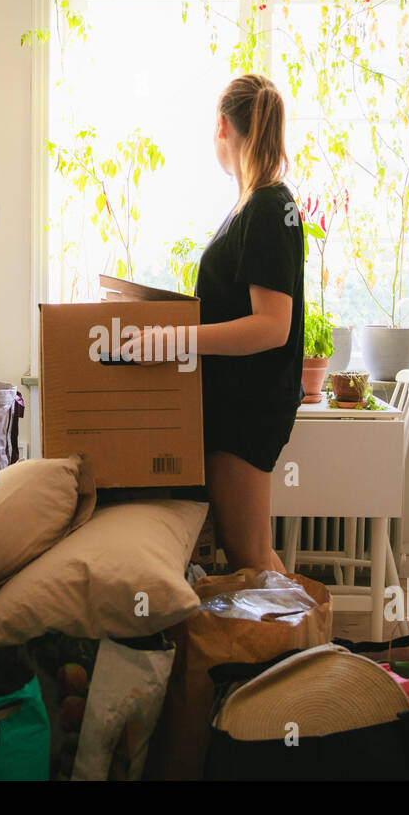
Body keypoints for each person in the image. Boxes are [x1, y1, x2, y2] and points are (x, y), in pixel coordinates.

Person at [125, 73, 304, 573]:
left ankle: (309, 648)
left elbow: (272, 326)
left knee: (249, 551)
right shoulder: (253, 204)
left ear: (223, 126)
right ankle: (293, 646)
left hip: (248, 407)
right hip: (234, 402)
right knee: (243, 547)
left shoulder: (271, 206)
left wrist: (174, 339)